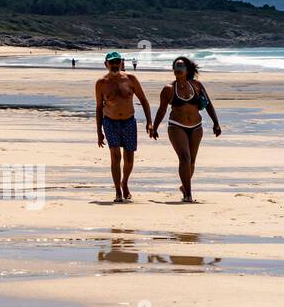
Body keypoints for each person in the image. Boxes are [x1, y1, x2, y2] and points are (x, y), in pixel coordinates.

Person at [151, 56, 221, 204]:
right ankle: (188, 195)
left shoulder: (197, 85)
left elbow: (208, 105)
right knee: (185, 159)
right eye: (176, 66)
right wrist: (154, 127)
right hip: (176, 126)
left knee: (192, 162)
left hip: (196, 127)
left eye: (181, 66)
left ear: (187, 69)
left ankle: (184, 187)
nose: (178, 69)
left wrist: (216, 123)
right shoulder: (168, 89)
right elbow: (162, 110)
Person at [95, 51, 153, 203]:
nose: (114, 65)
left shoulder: (131, 79)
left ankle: (125, 182)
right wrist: (99, 131)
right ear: (106, 64)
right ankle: (117, 191)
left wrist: (149, 122)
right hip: (110, 122)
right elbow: (98, 108)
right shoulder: (101, 83)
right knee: (115, 157)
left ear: (121, 63)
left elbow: (144, 101)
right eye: (111, 62)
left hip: (129, 122)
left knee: (129, 159)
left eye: (117, 62)